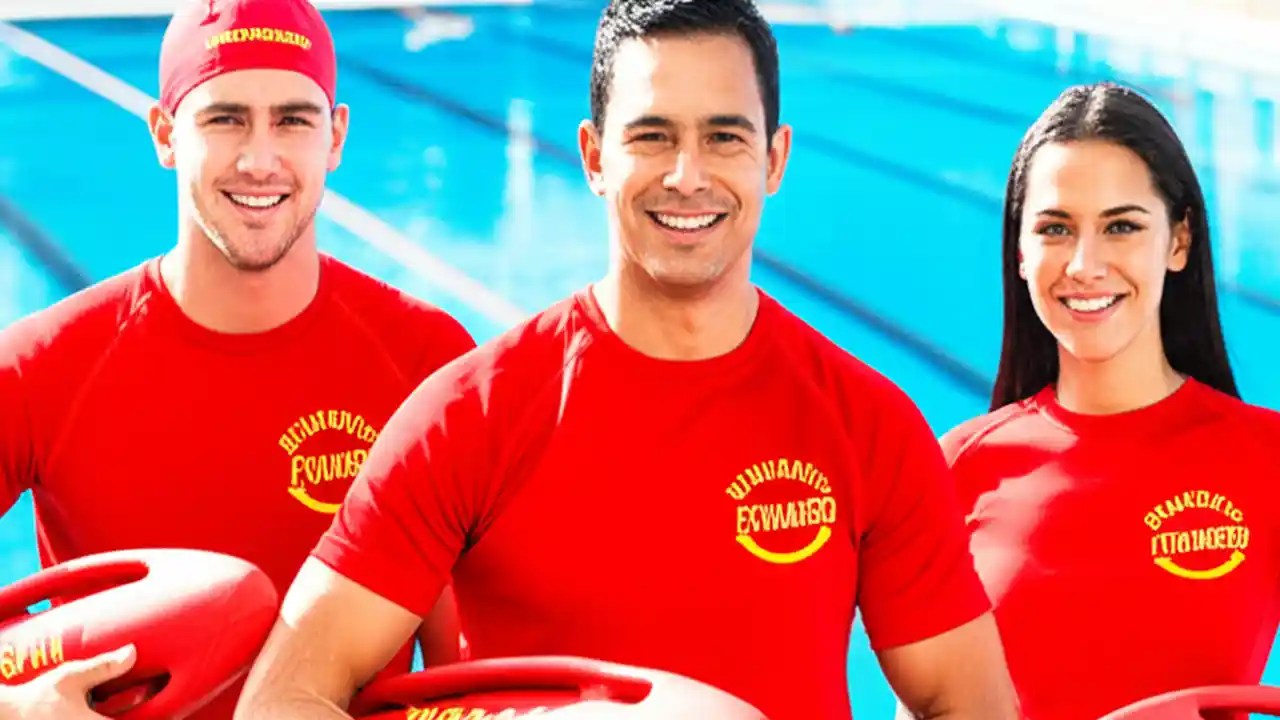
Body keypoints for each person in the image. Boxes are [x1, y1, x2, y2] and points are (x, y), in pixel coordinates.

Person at [233, 1, 1020, 719]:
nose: (686, 175)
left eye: (723, 136)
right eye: (652, 136)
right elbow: (286, 695)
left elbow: (969, 701)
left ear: (774, 160)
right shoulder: (469, 417)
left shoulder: (866, 425)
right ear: (593, 155)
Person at [0, 1, 473, 717]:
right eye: (224, 119)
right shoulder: (45, 365)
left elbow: (469, 659)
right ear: (164, 134)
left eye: (293, 119)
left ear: (335, 136)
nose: (259, 159)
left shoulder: (425, 360)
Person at [939, 81, 1280, 720]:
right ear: (1020, 250)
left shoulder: (1267, 457)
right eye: (1055, 228)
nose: (1085, 264)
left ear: (1178, 241)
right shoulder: (958, 467)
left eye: (1121, 225)